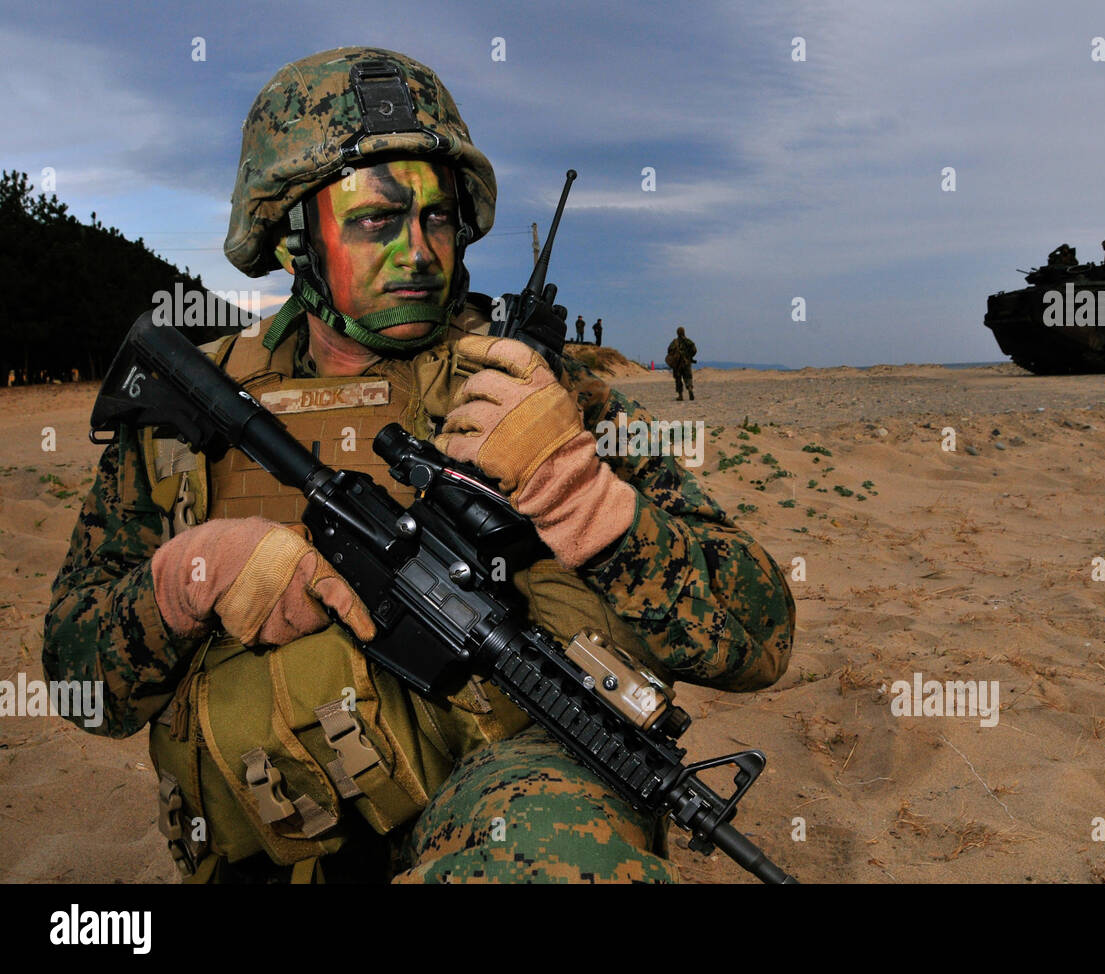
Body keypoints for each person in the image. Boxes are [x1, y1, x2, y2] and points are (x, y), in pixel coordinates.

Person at [42, 47, 793, 884]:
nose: (421, 252)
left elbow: (760, 641)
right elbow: (84, 687)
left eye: (438, 218)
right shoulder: (192, 408)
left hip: (504, 809)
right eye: (377, 220)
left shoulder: (534, 396)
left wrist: (591, 506)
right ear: (292, 237)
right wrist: (188, 580)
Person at [666, 326, 696, 401]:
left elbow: (669, 350)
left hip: (678, 364)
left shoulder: (674, 342)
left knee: (678, 379)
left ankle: (680, 395)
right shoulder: (688, 341)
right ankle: (689, 389)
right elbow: (694, 350)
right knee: (688, 377)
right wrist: (689, 356)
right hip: (686, 362)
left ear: (677, 333)